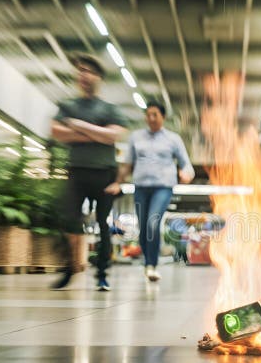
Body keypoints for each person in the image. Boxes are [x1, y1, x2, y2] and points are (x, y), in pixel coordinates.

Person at [50, 54, 128, 291]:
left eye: (88, 71)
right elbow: (57, 132)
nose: (83, 74)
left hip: (104, 174)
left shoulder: (110, 109)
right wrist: (97, 134)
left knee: (103, 224)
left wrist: (79, 126)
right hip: (76, 172)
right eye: (80, 70)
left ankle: (102, 274)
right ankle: (69, 267)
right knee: (68, 219)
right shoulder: (68, 106)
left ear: (99, 77)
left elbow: (114, 136)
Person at [106, 101, 194, 281]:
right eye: (148, 115)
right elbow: (127, 164)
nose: (151, 118)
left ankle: (151, 265)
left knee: (153, 223)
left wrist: (186, 174)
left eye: (155, 114)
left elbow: (186, 164)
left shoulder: (173, 139)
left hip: (163, 187)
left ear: (163, 117)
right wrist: (117, 182)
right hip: (141, 188)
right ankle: (148, 261)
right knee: (144, 227)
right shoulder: (136, 137)